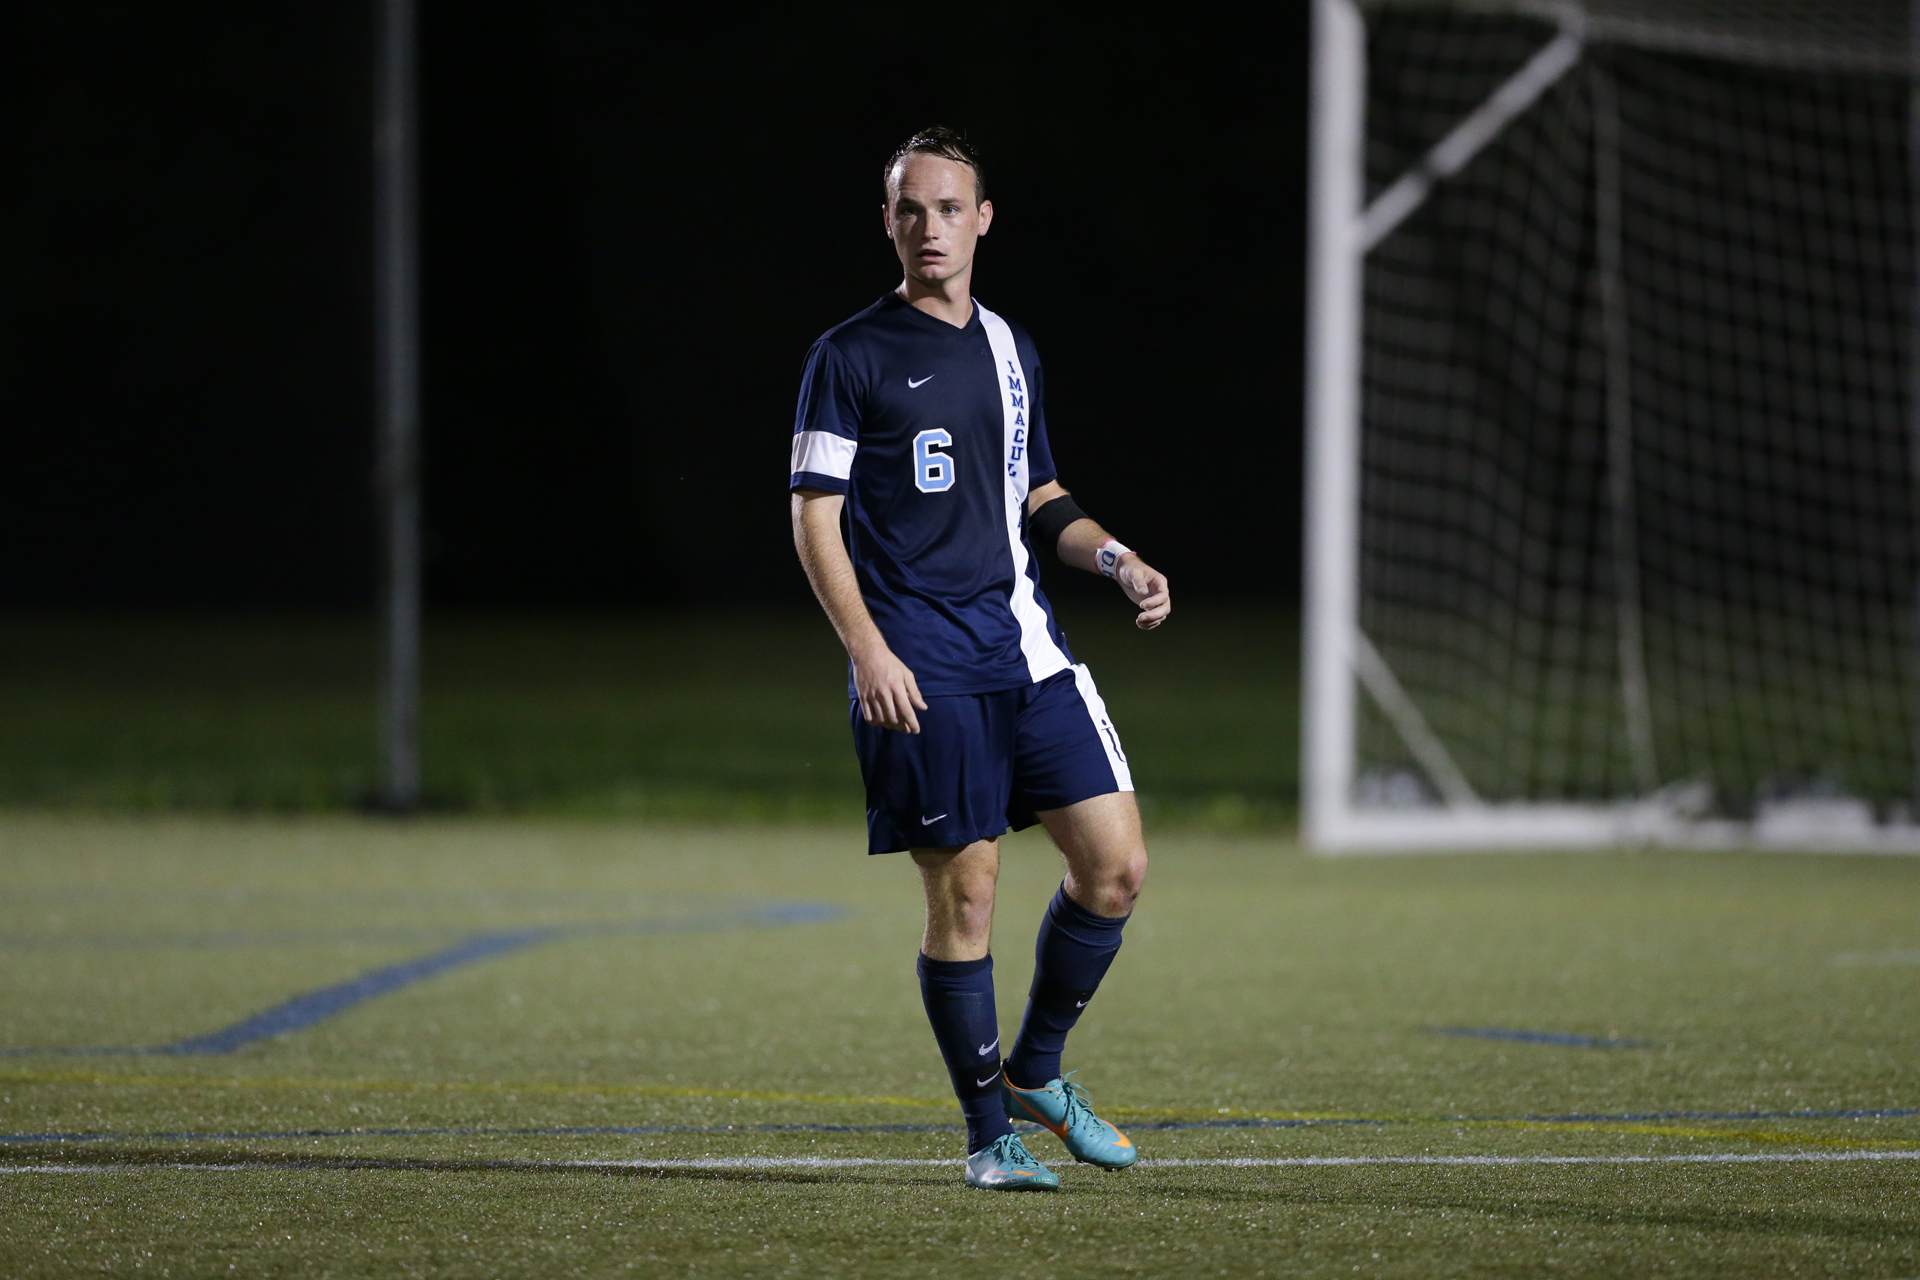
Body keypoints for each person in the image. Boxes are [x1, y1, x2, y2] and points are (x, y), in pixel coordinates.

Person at [788, 127, 1171, 1191]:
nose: (930, 227)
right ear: (888, 223)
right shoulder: (849, 354)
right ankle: (985, 1136)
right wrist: (866, 648)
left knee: (1117, 867)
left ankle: (1036, 1071)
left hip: (1029, 651)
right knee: (967, 896)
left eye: (949, 207)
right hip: (919, 664)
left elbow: (1039, 493)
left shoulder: (1010, 346)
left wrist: (1118, 557)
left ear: (982, 219)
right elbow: (813, 515)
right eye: (910, 209)